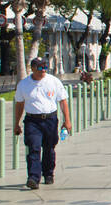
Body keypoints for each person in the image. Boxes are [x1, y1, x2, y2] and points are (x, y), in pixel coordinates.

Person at [13, 56, 73, 190]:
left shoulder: (54, 81)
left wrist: (67, 121)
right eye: (40, 67)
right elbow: (19, 104)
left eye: (45, 67)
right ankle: (33, 177)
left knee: (49, 148)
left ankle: (48, 173)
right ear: (32, 69)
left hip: (50, 119)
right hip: (32, 121)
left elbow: (63, 101)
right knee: (34, 147)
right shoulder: (23, 84)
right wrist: (16, 123)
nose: (43, 70)